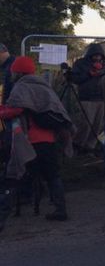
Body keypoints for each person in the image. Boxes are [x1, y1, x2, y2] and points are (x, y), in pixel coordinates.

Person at [0, 56, 71, 221]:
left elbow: (16, 110)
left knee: (15, 174)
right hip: (49, 139)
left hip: (29, 139)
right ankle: (61, 209)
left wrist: (2, 113)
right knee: (52, 175)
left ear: (18, 72)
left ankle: (3, 215)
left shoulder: (21, 87)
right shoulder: (44, 87)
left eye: (13, 71)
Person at [70, 43, 105, 153]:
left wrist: (102, 72)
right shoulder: (80, 64)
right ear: (90, 54)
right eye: (95, 55)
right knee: (86, 124)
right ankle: (77, 144)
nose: (98, 57)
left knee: (97, 125)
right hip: (86, 98)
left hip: (101, 98)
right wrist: (89, 74)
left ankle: (90, 146)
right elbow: (75, 78)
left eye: (100, 55)